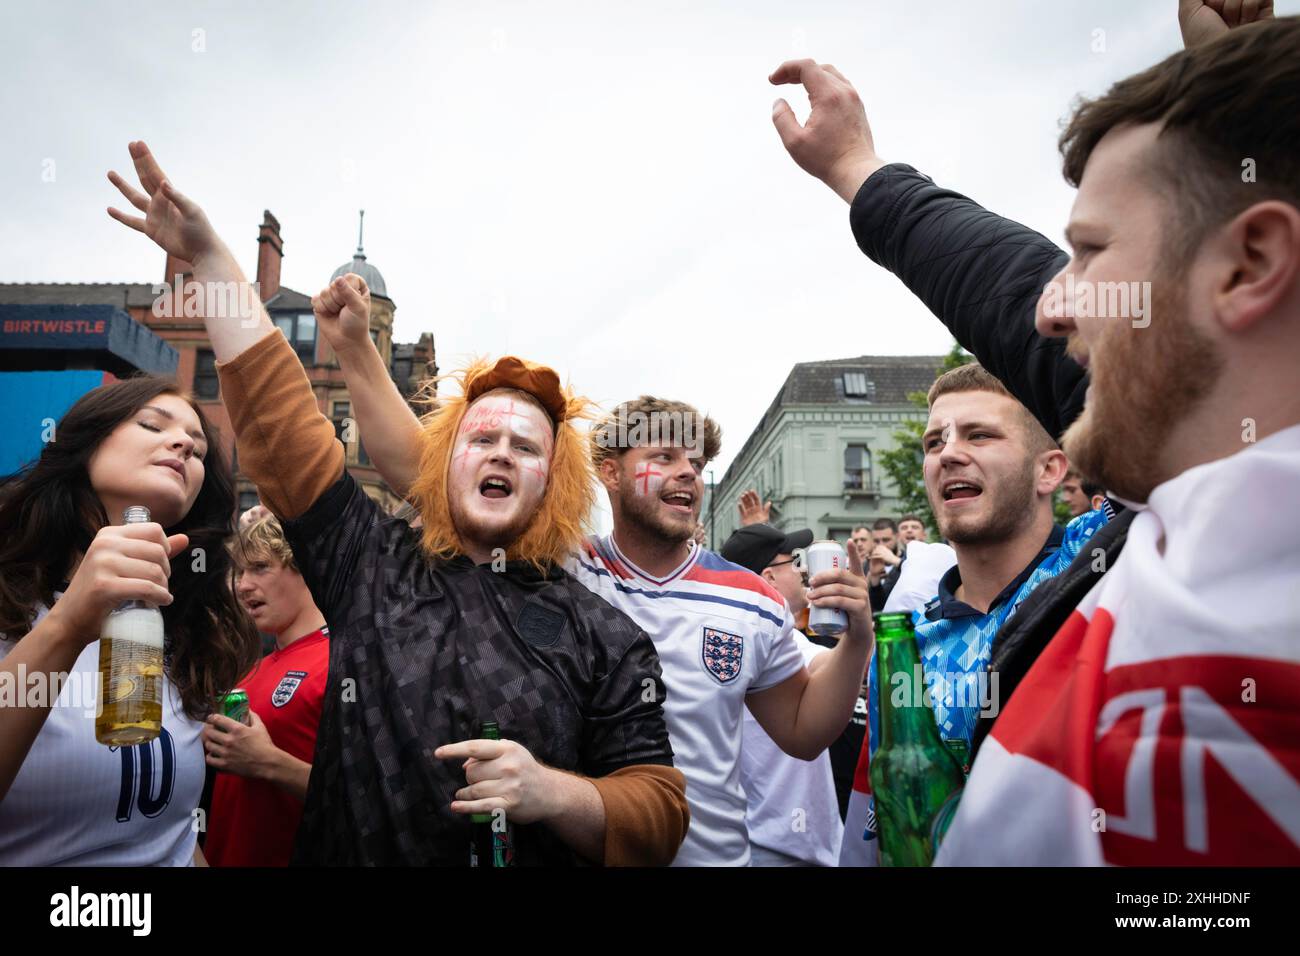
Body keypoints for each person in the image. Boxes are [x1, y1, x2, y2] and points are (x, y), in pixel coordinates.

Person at [773, 5, 1299, 864]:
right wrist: (858, 172)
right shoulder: (1185, 491)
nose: (1053, 308)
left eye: (1089, 256)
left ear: (1248, 268)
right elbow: (1001, 285)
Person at [106, 141, 688, 866]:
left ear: (552, 484)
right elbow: (284, 426)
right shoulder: (371, 565)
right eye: (482, 438)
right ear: (444, 467)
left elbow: (662, 811)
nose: (503, 452)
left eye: (527, 447)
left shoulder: (605, 634)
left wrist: (552, 792)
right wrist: (212, 260)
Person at [842, 365, 1106, 865]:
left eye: (980, 435)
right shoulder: (906, 645)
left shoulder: (1098, 569)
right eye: (933, 442)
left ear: (1050, 470)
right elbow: (881, 819)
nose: (950, 453)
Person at [0, 377, 260, 865]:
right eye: (151, 425)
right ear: (83, 444)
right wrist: (69, 623)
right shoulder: (9, 603)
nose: (184, 443)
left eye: (200, 450)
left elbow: (175, 835)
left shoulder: (186, 631)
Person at [201, 514, 329, 867]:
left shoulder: (343, 662)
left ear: (305, 565)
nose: (243, 585)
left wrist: (268, 763)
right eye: (240, 572)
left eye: (259, 568)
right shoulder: (250, 670)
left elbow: (368, 799)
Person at [720, 523, 846, 862]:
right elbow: (832, 669)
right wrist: (857, 629)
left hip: (775, 839)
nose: (803, 570)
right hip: (780, 847)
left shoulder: (756, 634)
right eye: (793, 561)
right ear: (768, 577)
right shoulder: (763, 637)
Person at [866, 518, 903, 610]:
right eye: (876, 541)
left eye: (886, 540)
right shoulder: (867, 564)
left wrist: (894, 560)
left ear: (897, 537)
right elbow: (878, 606)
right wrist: (874, 579)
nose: (881, 545)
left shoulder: (908, 559)